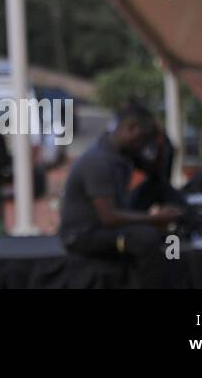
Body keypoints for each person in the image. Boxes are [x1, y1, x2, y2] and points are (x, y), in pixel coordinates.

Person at [58, 102, 184, 287]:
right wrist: (153, 219)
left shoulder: (123, 153)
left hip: (110, 223)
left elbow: (158, 174)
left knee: (158, 192)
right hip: (85, 235)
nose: (143, 146)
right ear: (130, 129)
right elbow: (109, 218)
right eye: (143, 139)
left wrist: (160, 137)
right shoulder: (98, 161)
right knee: (146, 238)